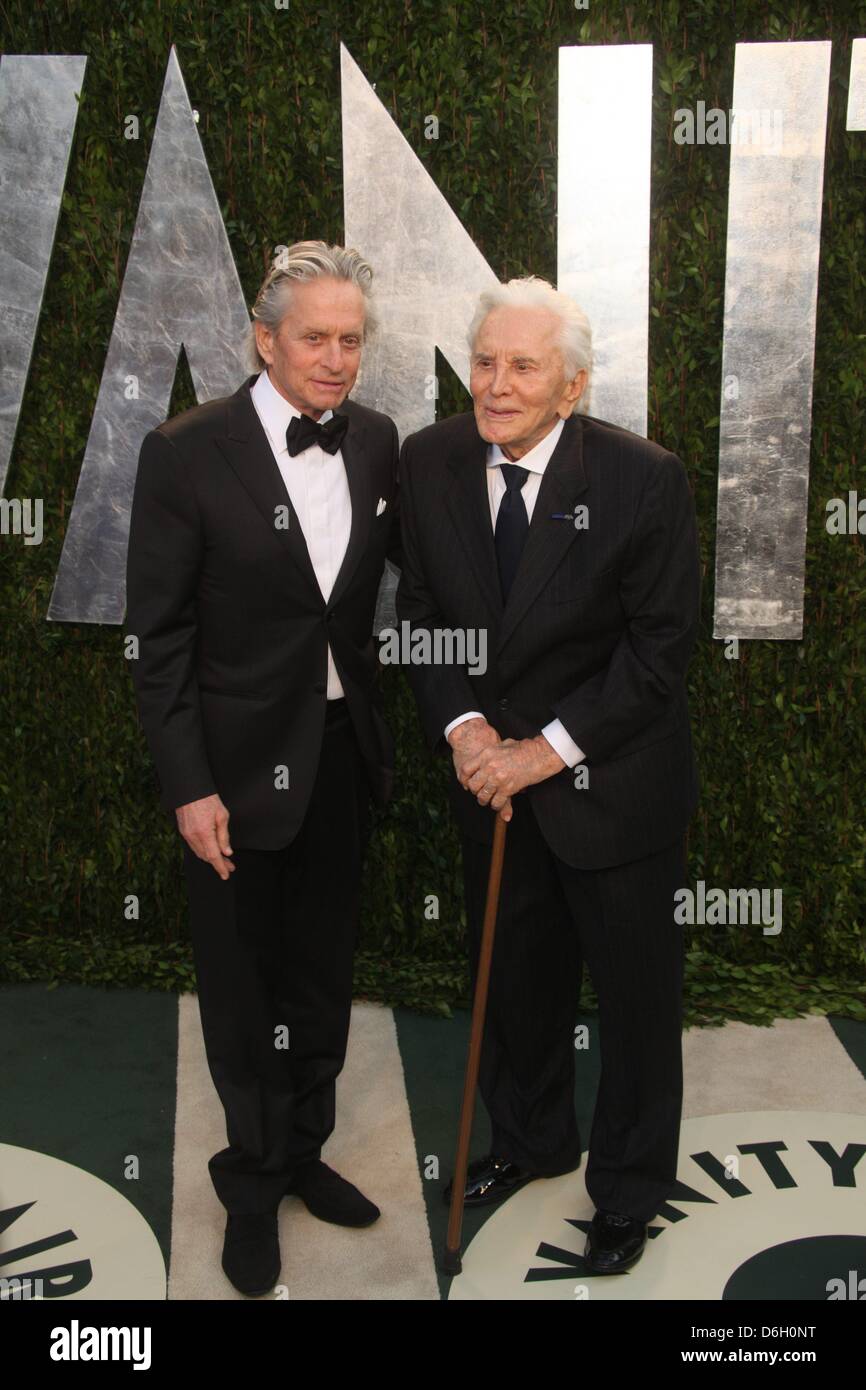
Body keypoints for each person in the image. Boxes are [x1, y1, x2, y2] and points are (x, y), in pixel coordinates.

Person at [395, 275, 701, 1275]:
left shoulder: (640, 478)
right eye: (484, 360)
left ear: (569, 386)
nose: (494, 384)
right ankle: (529, 1141)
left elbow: (656, 655)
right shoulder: (428, 459)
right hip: (489, 788)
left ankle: (625, 1191)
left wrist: (544, 750)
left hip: (606, 789)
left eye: (522, 366)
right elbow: (423, 616)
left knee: (634, 1006)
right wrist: (468, 728)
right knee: (515, 987)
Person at [126, 241, 400, 1296]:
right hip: (232, 774)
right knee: (243, 994)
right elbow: (160, 638)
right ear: (264, 338)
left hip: (338, 757)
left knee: (321, 974)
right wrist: (189, 785)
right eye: (314, 339)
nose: (335, 360)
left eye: (350, 340)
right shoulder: (186, 451)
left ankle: (299, 1151)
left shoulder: (374, 443)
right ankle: (248, 1186)